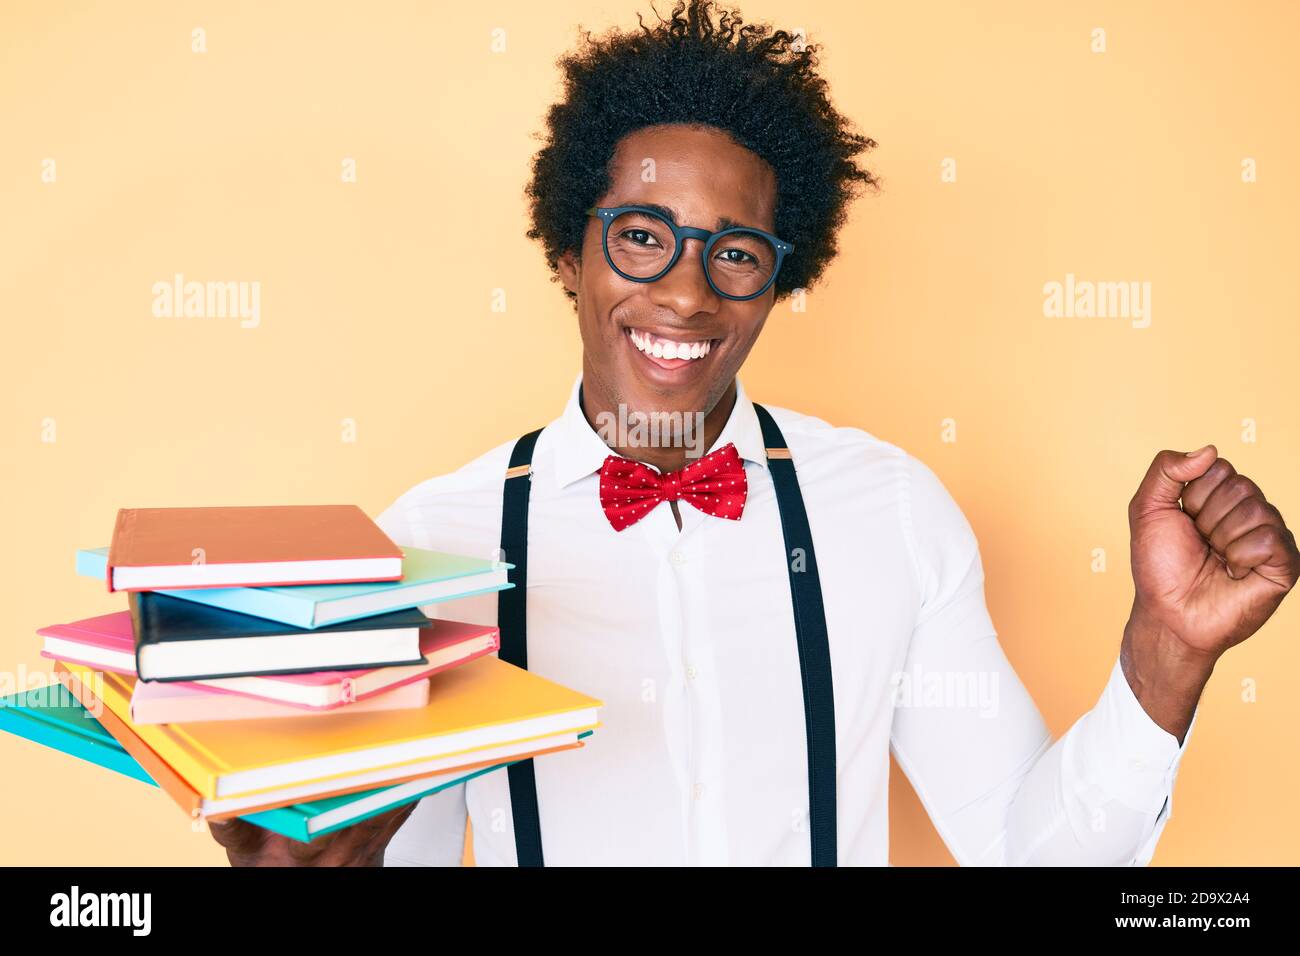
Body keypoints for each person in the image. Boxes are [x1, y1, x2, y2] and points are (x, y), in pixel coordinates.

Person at [210, 0, 1298, 867]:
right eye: (640, 236)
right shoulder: (426, 546)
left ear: (781, 278)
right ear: (565, 256)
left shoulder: (892, 512)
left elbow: (1027, 851)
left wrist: (1169, 647)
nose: (684, 294)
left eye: (733, 251)